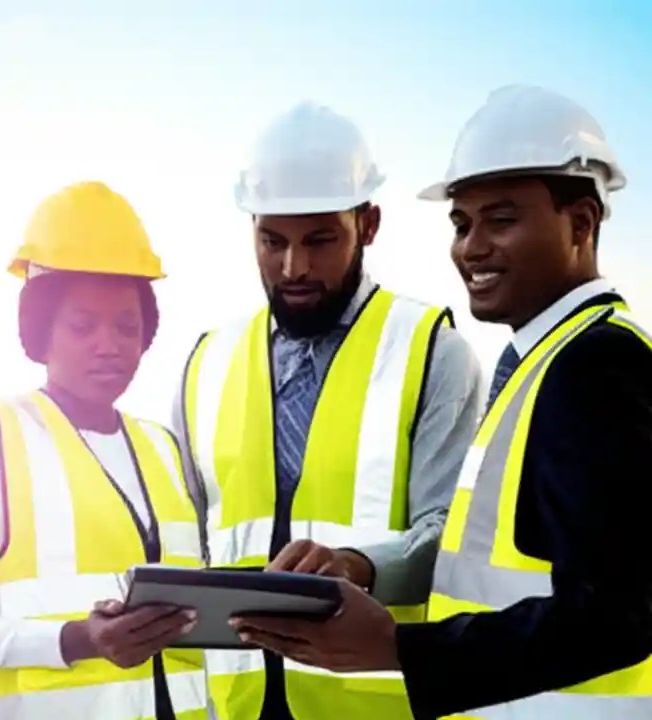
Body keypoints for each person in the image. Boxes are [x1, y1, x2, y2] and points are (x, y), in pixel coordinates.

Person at [231, 84, 652, 719]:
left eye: (501, 220)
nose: (471, 248)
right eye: (462, 224)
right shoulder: (543, 364)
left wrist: (400, 647)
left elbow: (619, 612)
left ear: (582, 224)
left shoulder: (597, 366)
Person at [171, 102, 483, 720]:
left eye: (319, 240)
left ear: (367, 223)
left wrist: (362, 567)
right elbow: (188, 538)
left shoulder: (431, 352)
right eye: (272, 242)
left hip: (374, 704)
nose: (294, 269)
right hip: (237, 705)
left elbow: (452, 538)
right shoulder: (208, 361)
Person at [0, 181, 211, 719]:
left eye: (127, 326)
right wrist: (76, 640)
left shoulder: (164, 450)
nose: (109, 344)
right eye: (83, 325)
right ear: (40, 331)